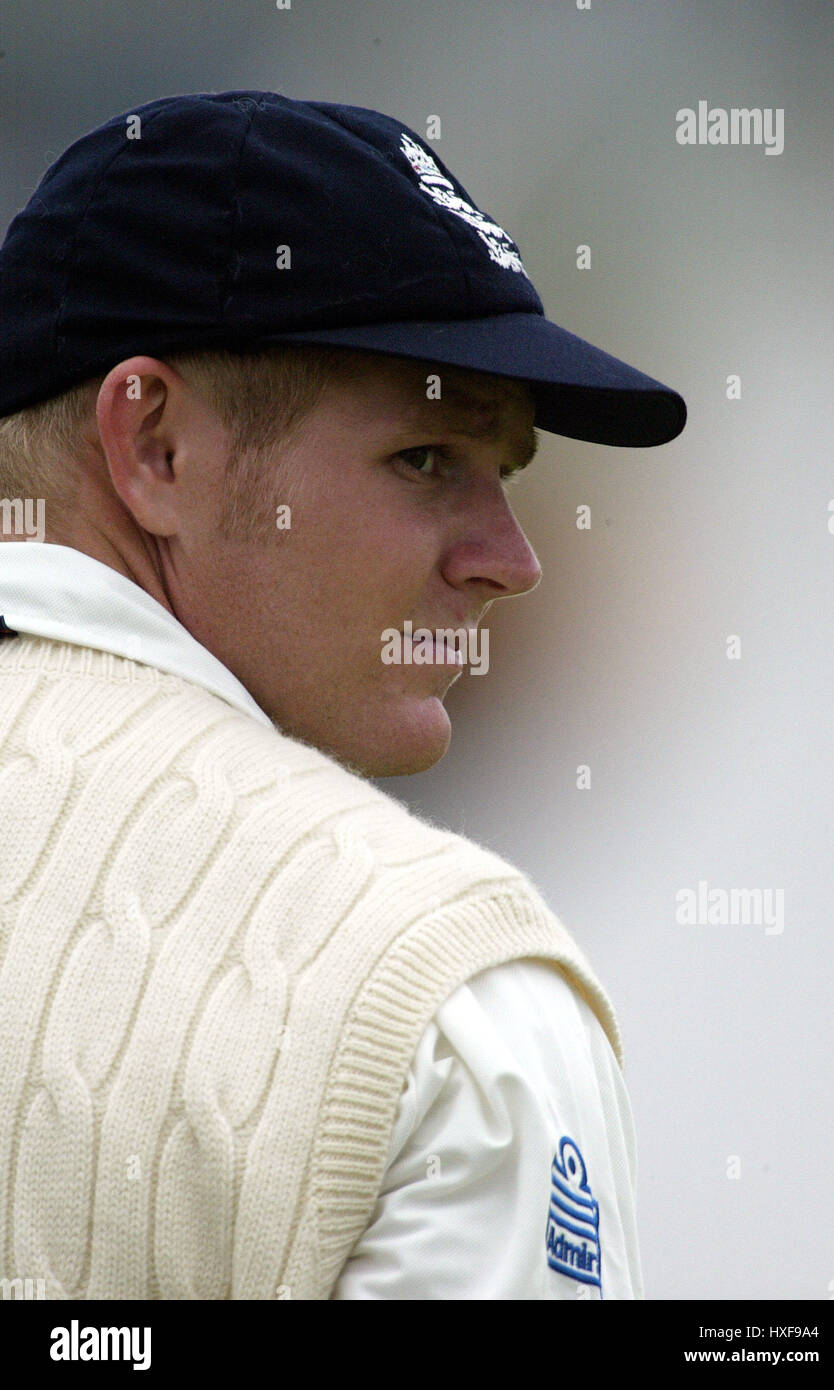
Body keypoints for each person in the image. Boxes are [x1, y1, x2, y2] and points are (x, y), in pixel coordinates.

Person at [0, 91, 686, 1300]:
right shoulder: (447, 998)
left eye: (504, 473)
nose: (510, 560)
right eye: (427, 457)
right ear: (154, 447)